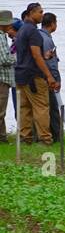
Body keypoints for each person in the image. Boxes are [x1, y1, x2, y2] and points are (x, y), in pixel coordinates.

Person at [15, 3, 57, 146]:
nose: (42, 15)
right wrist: (49, 75)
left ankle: (25, 137)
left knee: (25, 108)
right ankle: (45, 139)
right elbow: (35, 55)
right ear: (31, 13)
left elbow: (28, 54)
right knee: (41, 107)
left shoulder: (21, 30)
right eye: (40, 12)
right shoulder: (33, 32)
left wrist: (45, 56)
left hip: (20, 74)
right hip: (34, 76)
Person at [39, 12, 63, 142]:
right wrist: (56, 79)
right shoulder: (47, 40)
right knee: (53, 108)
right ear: (52, 24)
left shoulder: (38, 36)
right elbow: (51, 63)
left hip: (39, 77)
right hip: (48, 79)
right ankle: (55, 136)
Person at [0, 10, 16, 143]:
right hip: (2, 79)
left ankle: (3, 138)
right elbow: (4, 59)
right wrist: (16, 56)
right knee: (1, 111)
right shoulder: (0, 37)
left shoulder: (3, 36)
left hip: (3, 78)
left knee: (2, 111)